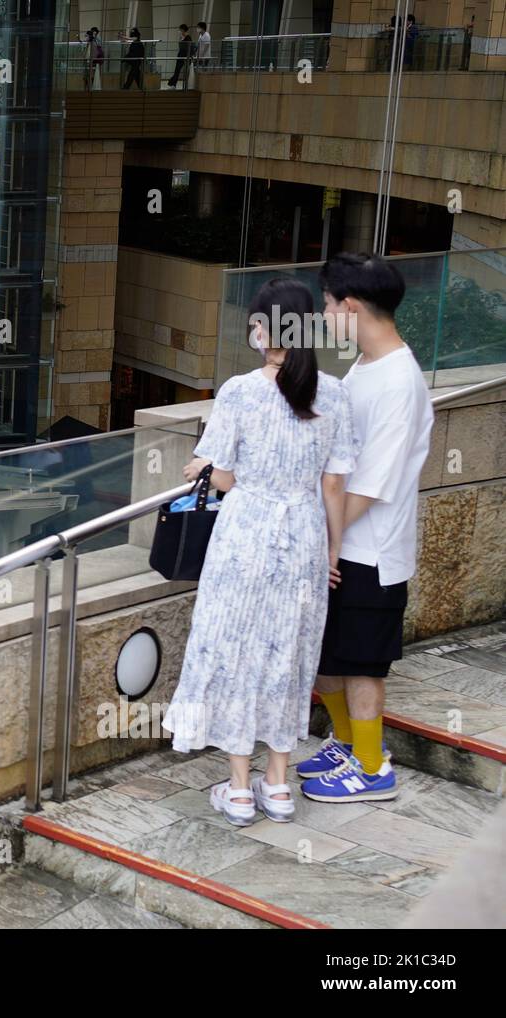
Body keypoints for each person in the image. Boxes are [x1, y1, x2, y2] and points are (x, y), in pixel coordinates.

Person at [163, 277, 354, 826]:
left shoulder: (240, 391)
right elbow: (333, 486)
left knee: (237, 652)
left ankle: (241, 789)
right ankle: (278, 785)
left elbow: (223, 479)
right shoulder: (334, 393)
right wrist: (332, 557)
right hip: (304, 540)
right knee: (288, 656)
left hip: (246, 537)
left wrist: (201, 468)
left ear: (265, 329)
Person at [297, 254, 433, 804]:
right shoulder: (365, 366)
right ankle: (349, 745)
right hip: (341, 542)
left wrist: (326, 544)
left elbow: (371, 482)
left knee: (361, 662)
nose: (326, 317)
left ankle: (373, 767)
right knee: (329, 657)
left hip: (369, 551)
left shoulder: (400, 380)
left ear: (350, 306)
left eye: (328, 306)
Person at [167, 24, 194, 88]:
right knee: (177, 70)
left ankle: (185, 85)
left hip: (185, 56)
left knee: (185, 71)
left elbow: (189, 47)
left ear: (183, 30)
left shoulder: (188, 37)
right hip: (180, 55)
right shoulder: (181, 37)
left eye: (180, 30)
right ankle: (173, 84)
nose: (179, 31)